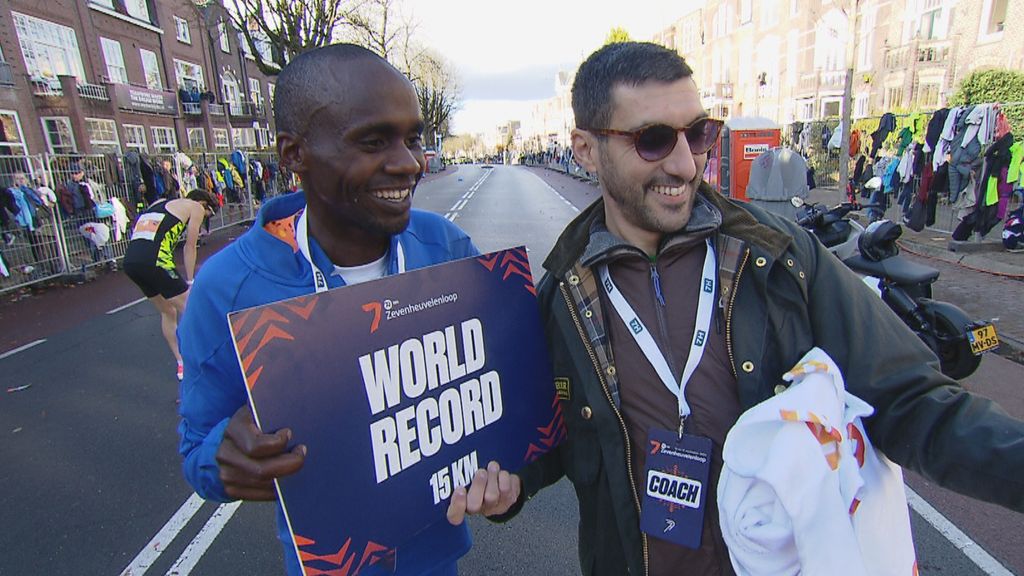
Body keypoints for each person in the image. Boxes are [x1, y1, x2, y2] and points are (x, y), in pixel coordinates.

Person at [458, 42, 1024, 575]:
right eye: (653, 139)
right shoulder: (563, 294)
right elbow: (548, 440)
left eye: (699, 133)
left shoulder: (781, 258)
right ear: (586, 149)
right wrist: (507, 485)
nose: (685, 164)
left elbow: (911, 399)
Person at [177, 44, 483, 576]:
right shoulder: (226, 287)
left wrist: (504, 472)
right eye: (372, 141)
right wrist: (223, 460)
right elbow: (196, 449)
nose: (409, 162)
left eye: (412, 138)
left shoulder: (447, 248)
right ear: (294, 154)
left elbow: (494, 392)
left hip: (435, 560)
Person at [123, 189, 217, 381]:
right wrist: (190, 281)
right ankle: (210, 360)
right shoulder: (195, 207)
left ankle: (181, 362)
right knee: (194, 310)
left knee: (168, 311)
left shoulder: (160, 202)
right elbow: (190, 246)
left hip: (131, 261)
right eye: (208, 213)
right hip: (156, 261)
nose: (204, 219)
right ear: (203, 203)